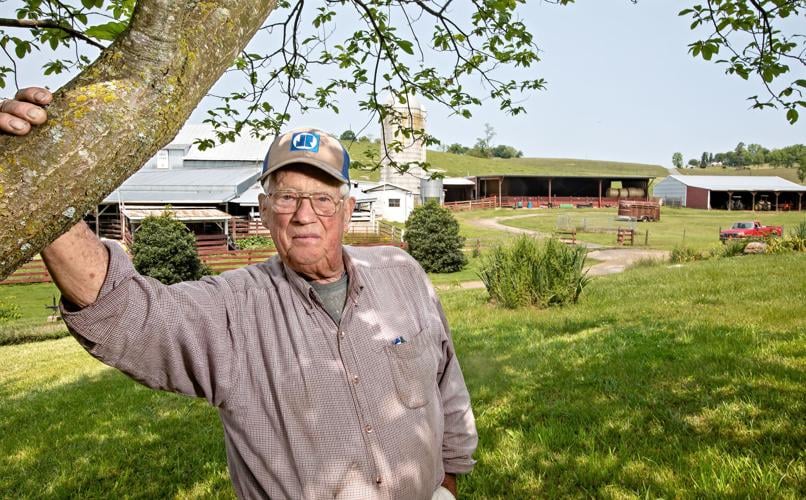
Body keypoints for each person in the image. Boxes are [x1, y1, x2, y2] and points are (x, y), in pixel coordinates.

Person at [1, 88, 477, 499]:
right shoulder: (232, 310)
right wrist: (35, 175)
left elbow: (446, 383)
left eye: (322, 199)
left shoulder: (402, 272)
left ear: (348, 209)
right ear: (266, 211)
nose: (304, 215)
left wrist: (449, 481)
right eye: (288, 197)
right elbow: (126, 314)